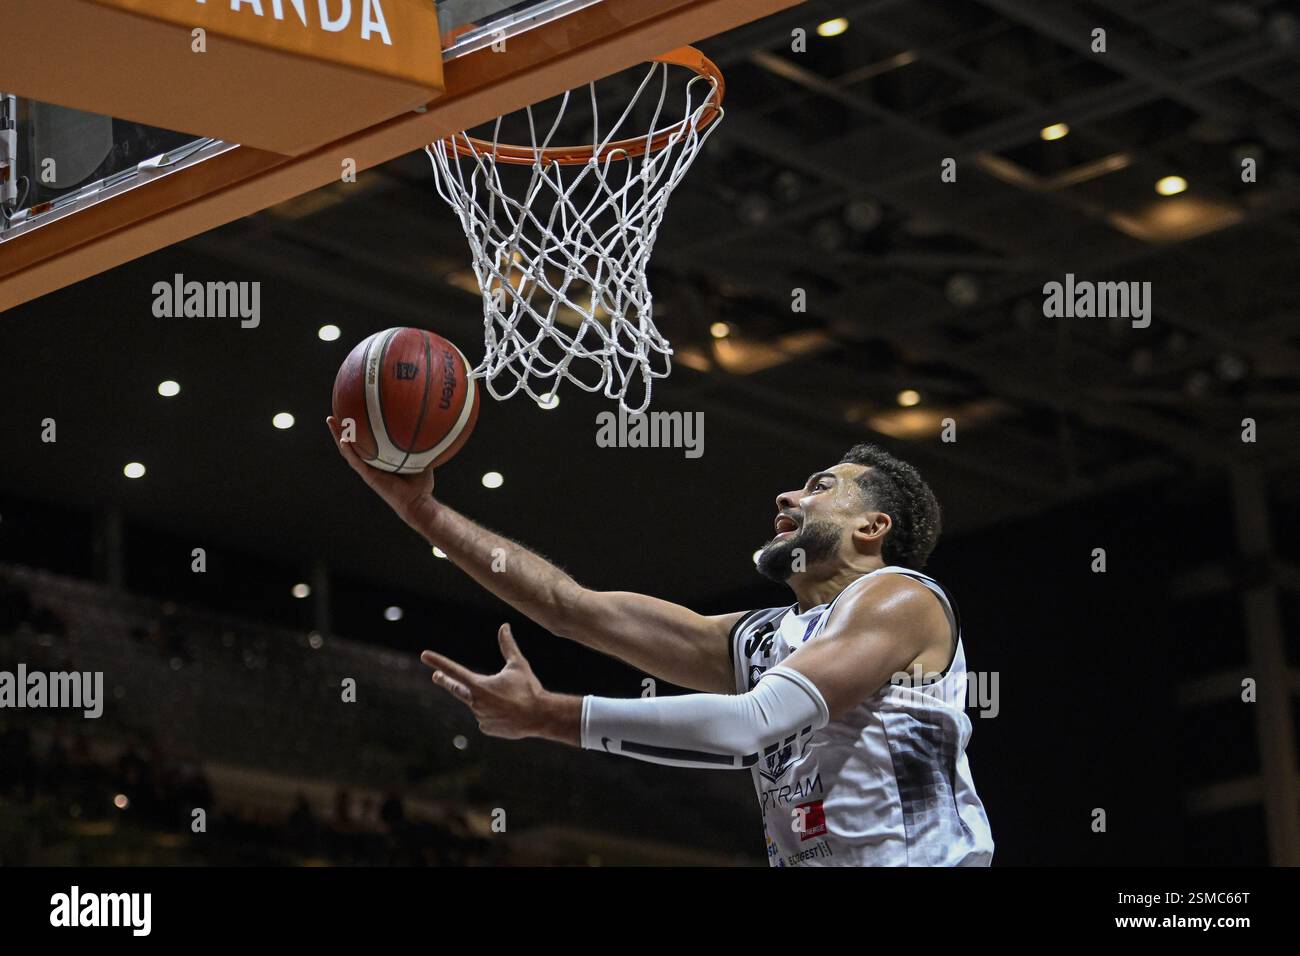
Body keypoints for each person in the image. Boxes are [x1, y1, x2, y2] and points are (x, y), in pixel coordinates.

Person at [327, 418, 993, 867]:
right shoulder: (764, 636)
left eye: (820, 488)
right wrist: (422, 511)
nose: (789, 495)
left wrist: (550, 715)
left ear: (873, 527)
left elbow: (753, 724)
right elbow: (571, 610)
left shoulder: (902, 598)